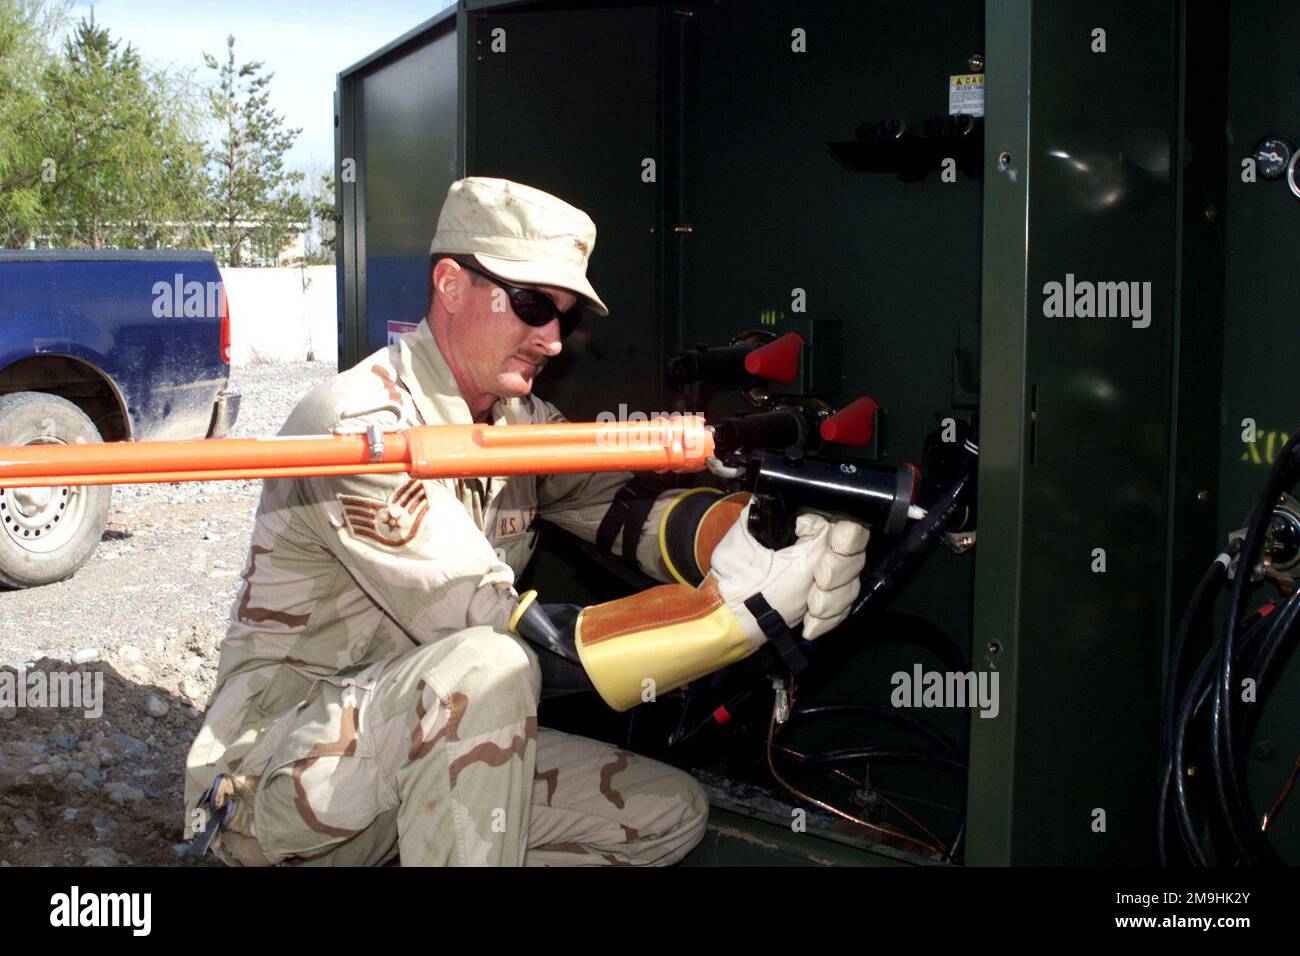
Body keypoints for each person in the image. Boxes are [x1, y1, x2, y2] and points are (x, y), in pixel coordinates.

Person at [184, 176, 868, 866]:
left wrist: (751, 535)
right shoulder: (360, 427)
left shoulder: (519, 425)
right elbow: (496, 632)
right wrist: (727, 619)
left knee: (667, 815)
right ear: (450, 285)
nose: (551, 341)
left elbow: (622, 508)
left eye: (564, 317)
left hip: (422, 766)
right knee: (488, 665)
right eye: (533, 305)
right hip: (286, 786)